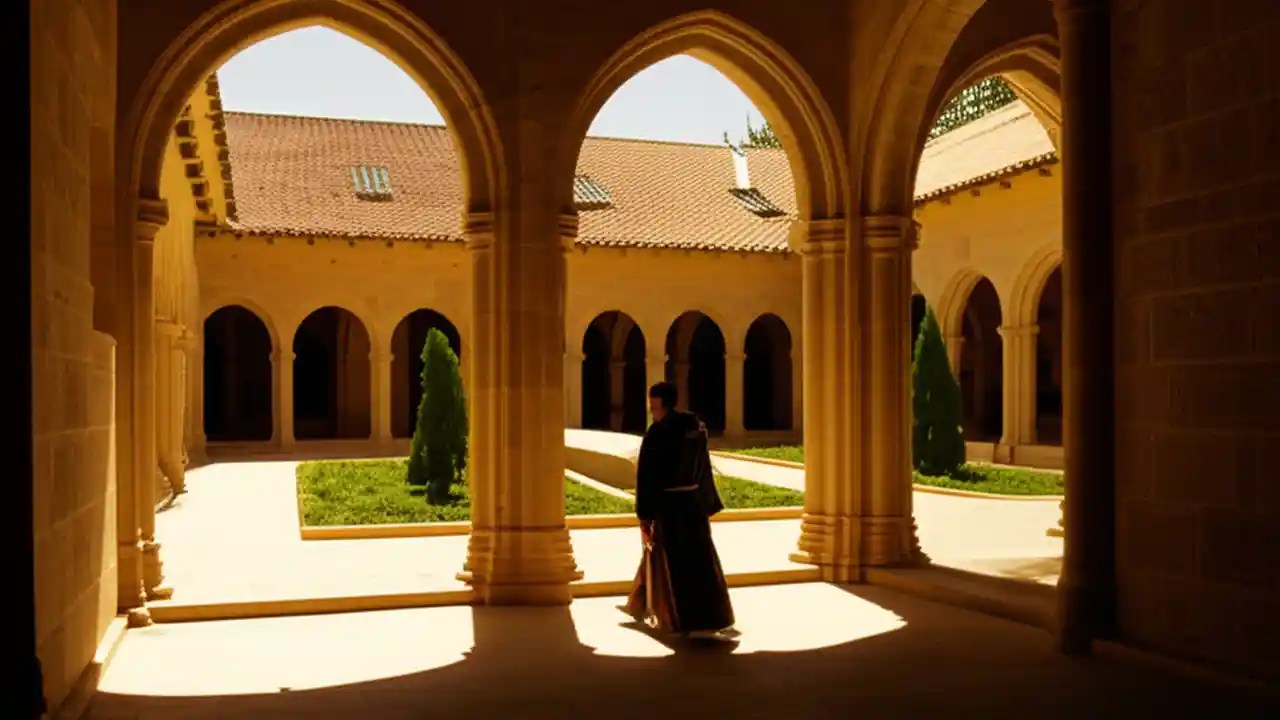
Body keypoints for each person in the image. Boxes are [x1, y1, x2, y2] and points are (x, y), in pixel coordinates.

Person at [623, 381, 735, 637]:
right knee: (701, 562)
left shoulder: (657, 434)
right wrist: (707, 502)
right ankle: (708, 615)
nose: (653, 413)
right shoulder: (696, 429)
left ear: (662, 406)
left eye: (654, 408)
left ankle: (680, 617)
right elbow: (704, 468)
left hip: (669, 507)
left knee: (673, 564)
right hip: (693, 504)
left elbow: (646, 477)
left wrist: (644, 515)